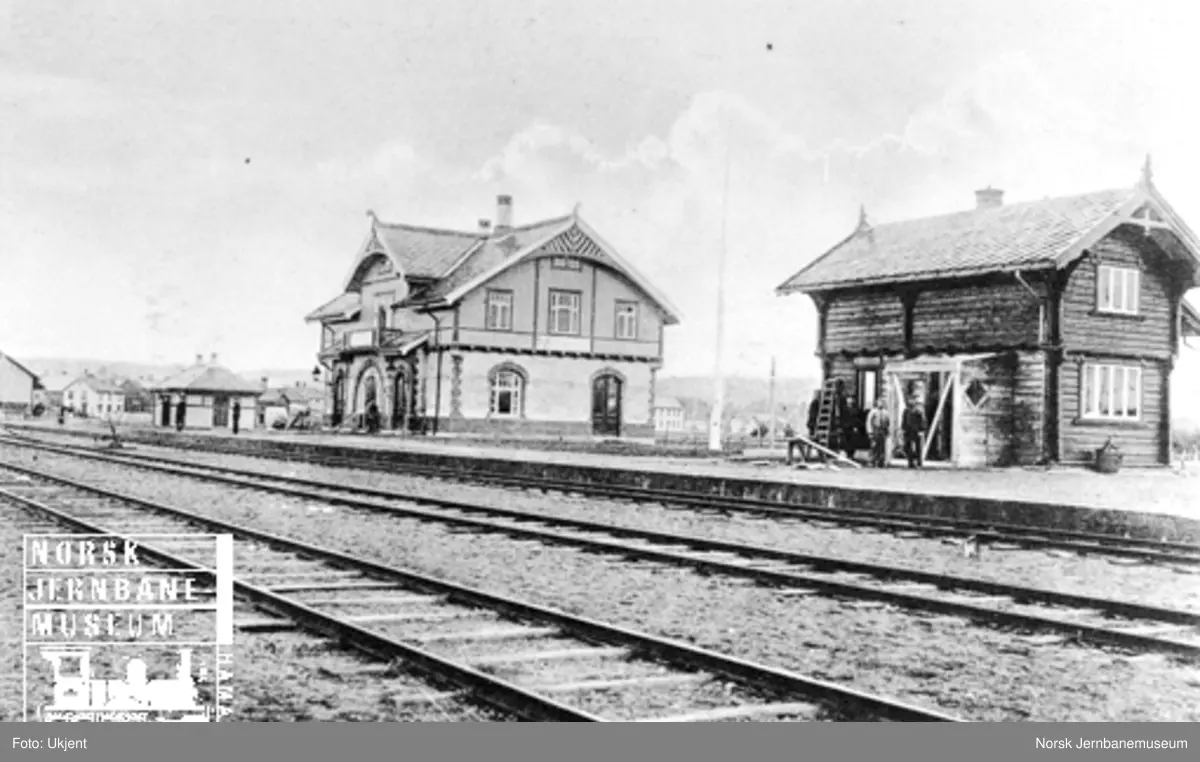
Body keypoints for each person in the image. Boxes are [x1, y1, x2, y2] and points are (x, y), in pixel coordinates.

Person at [902, 397, 927, 469]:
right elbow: (903, 420)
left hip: (916, 431)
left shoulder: (918, 410)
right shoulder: (906, 410)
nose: (910, 401)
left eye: (912, 400)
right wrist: (903, 429)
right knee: (907, 447)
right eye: (910, 400)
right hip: (908, 431)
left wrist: (921, 430)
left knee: (918, 448)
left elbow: (923, 420)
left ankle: (919, 463)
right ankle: (910, 463)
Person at [866, 398, 890, 468]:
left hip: (882, 431)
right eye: (879, 402)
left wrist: (887, 431)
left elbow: (888, 423)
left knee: (882, 448)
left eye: (882, 402)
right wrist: (870, 432)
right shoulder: (873, 411)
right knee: (874, 446)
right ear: (877, 403)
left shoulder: (886, 412)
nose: (881, 404)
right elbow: (868, 422)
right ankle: (871, 461)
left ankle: (881, 462)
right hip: (875, 430)